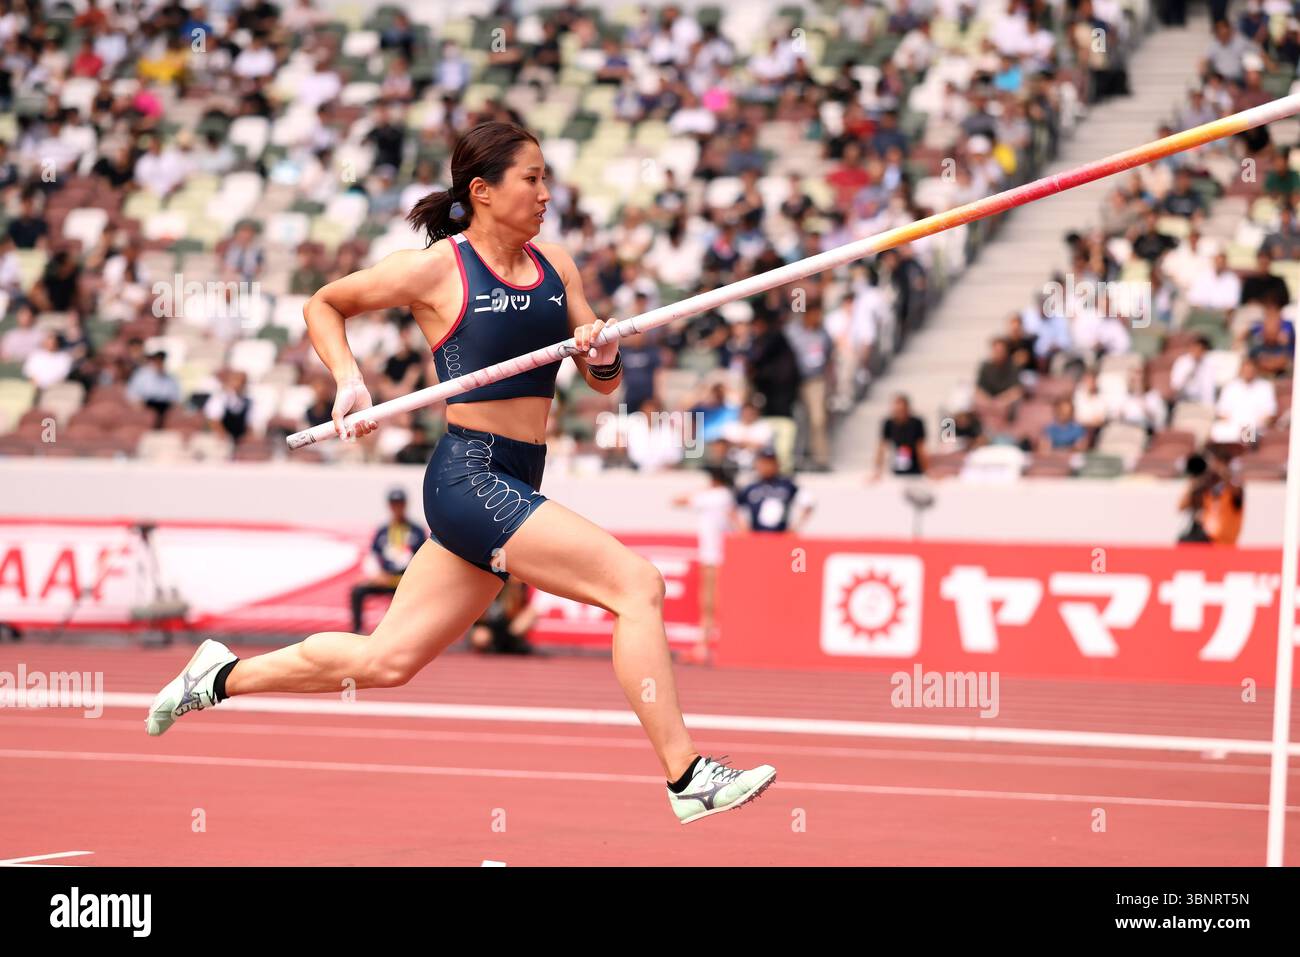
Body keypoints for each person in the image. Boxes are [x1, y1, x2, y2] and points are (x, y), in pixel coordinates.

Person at [144, 121, 775, 824]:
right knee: (637, 585)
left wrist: (600, 355)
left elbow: (604, 382)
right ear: (482, 190)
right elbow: (324, 302)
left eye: (546, 178)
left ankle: (219, 675)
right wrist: (349, 380)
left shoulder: (556, 266)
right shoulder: (440, 269)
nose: (544, 192)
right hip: (469, 478)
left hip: (517, 478)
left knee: (387, 660)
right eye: (530, 178)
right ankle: (686, 774)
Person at [672, 465, 738, 665]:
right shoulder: (725, 495)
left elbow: (678, 500)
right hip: (714, 554)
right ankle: (705, 645)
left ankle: (706, 647)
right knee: (709, 603)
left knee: (710, 603)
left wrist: (703, 489)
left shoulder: (718, 495)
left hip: (714, 555)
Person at [349, 488, 426, 633]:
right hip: (385, 578)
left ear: (405, 505)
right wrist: (375, 575)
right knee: (357, 591)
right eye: (394, 504)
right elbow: (373, 556)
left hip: (405, 580)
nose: (397, 507)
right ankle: (357, 630)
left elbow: (423, 559)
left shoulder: (416, 530)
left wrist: (407, 578)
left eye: (400, 503)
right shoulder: (383, 531)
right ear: (389, 506)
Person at [737, 448, 814, 533]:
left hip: (780, 537)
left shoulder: (787, 485)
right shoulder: (751, 487)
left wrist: (794, 528)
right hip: (757, 536)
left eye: (770, 463)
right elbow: (733, 507)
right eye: (764, 463)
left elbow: (808, 503)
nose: (767, 467)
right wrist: (743, 529)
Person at [467, 578, 539, 655]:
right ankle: (489, 647)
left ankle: (513, 644)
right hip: (488, 626)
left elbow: (519, 611)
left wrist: (514, 587)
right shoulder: (486, 582)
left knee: (530, 614)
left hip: (509, 629)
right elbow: (479, 617)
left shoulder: (516, 585)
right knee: (481, 637)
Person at [873, 392, 928, 478]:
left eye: (902, 409)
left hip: (916, 465)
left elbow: (920, 447)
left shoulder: (916, 423)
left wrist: (926, 469)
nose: (899, 412)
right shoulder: (888, 423)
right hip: (899, 463)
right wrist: (877, 470)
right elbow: (882, 447)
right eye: (897, 410)